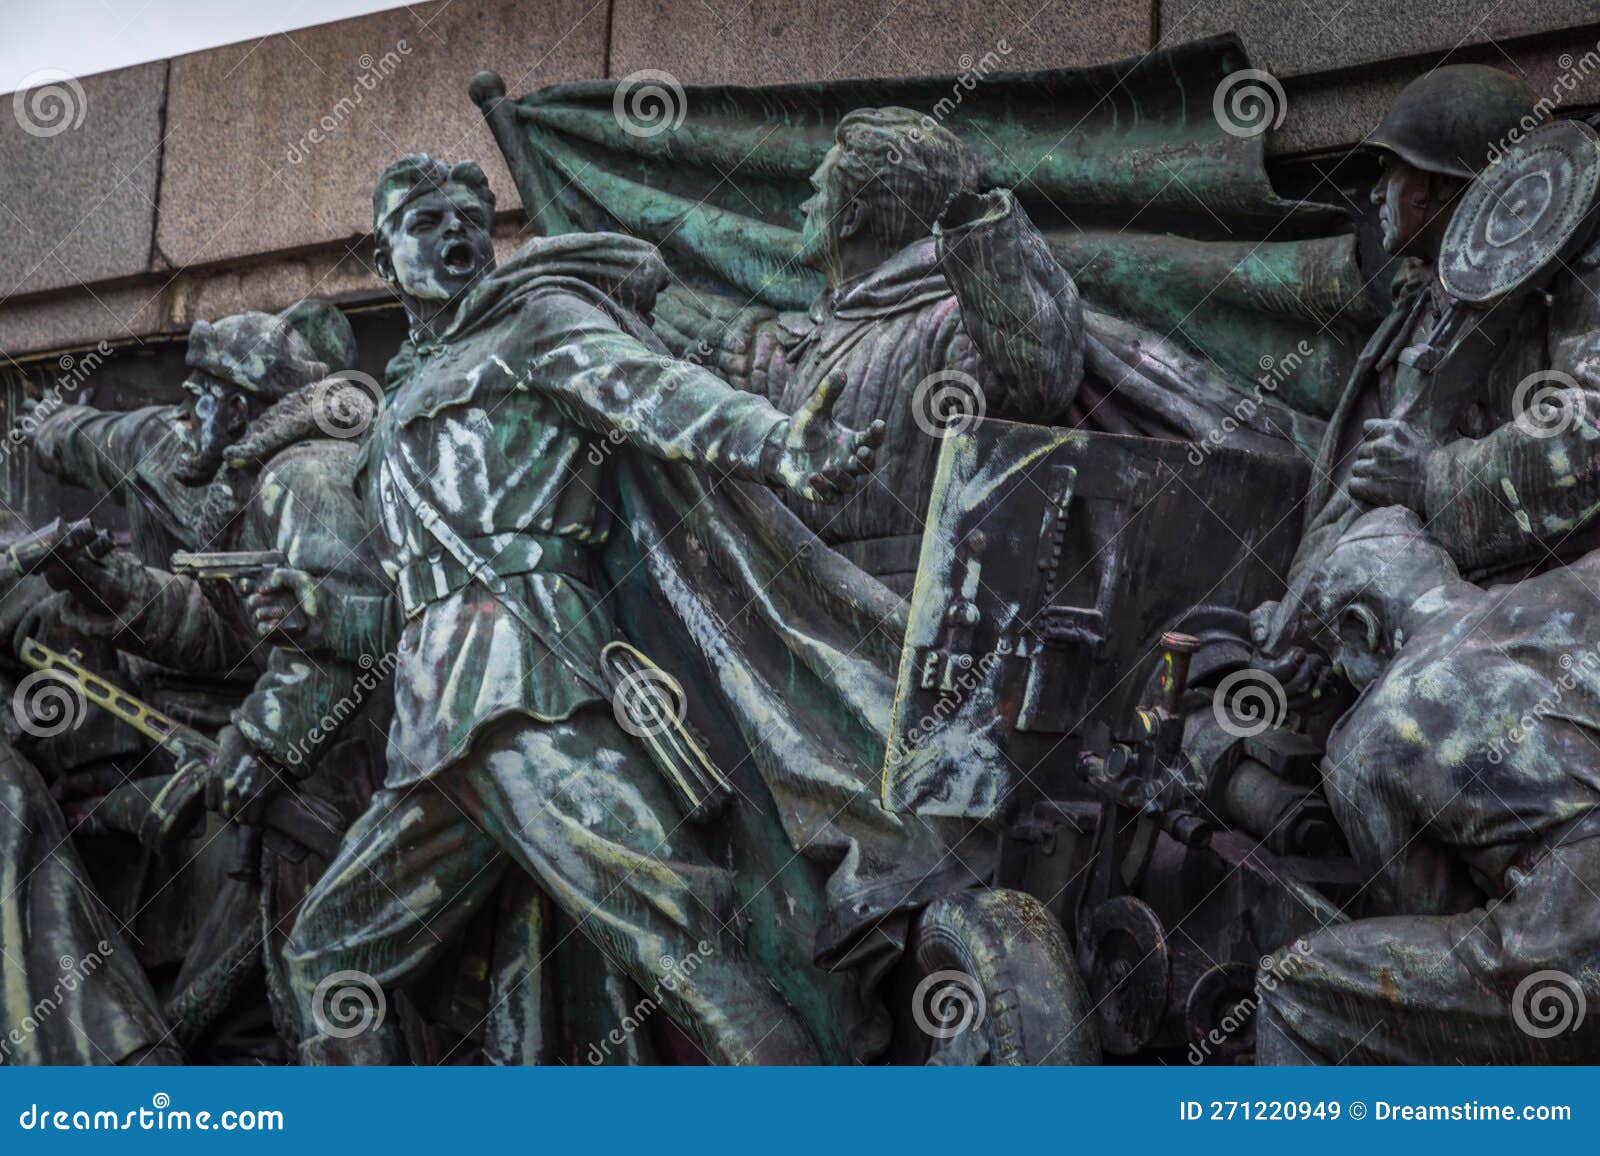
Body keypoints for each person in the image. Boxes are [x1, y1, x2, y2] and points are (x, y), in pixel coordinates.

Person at [251, 153, 884, 1065]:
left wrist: (782, 443)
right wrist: (320, 613)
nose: (456, 233)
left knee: (681, 944)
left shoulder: (539, 321)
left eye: (472, 217)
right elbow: (419, 609)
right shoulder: (392, 415)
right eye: (424, 222)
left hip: (536, 696)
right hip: (432, 740)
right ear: (385, 261)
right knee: (327, 958)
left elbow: (655, 392)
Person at [1256, 506, 1600, 1063]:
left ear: (1360, 626)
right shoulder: (1580, 582)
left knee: (1292, 988)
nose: (1342, 673)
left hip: (1571, 954)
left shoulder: (1361, 745)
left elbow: (1430, 916)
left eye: (1338, 654)